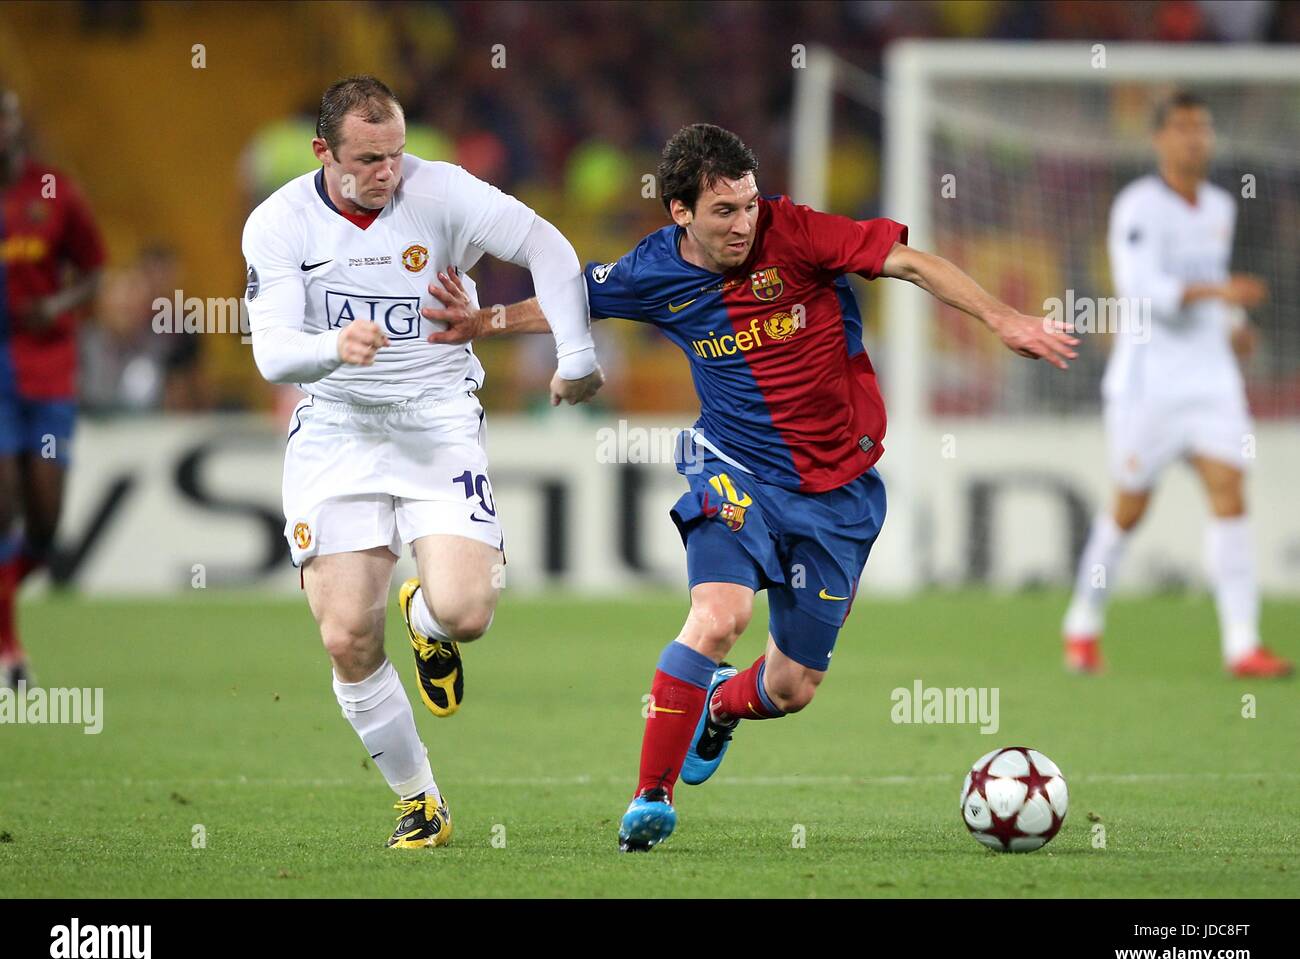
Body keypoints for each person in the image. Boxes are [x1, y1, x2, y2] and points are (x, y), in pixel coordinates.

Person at [423, 123, 1078, 851]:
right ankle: (651, 798)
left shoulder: (797, 233)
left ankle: (720, 708)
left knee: (791, 687)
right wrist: (484, 320)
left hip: (840, 488)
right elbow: (575, 300)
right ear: (680, 214)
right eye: (723, 212)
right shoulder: (652, 271)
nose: (743, 224)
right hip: (731, 466)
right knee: (718, 617)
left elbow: (910, 263)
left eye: (748, 205)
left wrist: (1002, 317)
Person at [241, 75, 602, 848]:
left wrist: (574, 353)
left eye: (396, 154)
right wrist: (329, 348)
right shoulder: (278, 225)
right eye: (369, 159)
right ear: (322, 153)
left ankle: (426, 615)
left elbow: (547, 244)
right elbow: (272, 352)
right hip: (336, 430)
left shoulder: (441, 193)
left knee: (467, 613)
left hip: (437, 422)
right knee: (345, 635)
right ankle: (420, 802)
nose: (388, 173)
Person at [1062, 91, 1291, 679]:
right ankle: (1083, 624)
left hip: (1212, 379)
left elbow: (1210, 282)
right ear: (1159, 138)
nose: (1196, 138)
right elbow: (1142, 291)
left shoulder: (1218, 205)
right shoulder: (1138, 206)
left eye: (1203, 128)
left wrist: (1234, 323)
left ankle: (1242, 643)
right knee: (1130, 510)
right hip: (1149, 384)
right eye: (1184, 128)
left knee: (1231, 495)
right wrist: (1222, 297)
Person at [0, 88, 105, 686]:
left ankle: (5, 609)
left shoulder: (52, 192)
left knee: (44, 521)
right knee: (3, 505)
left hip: (47, 374)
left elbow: (93, 268)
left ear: (17, 125)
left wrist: (57, 304)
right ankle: (10, 648)